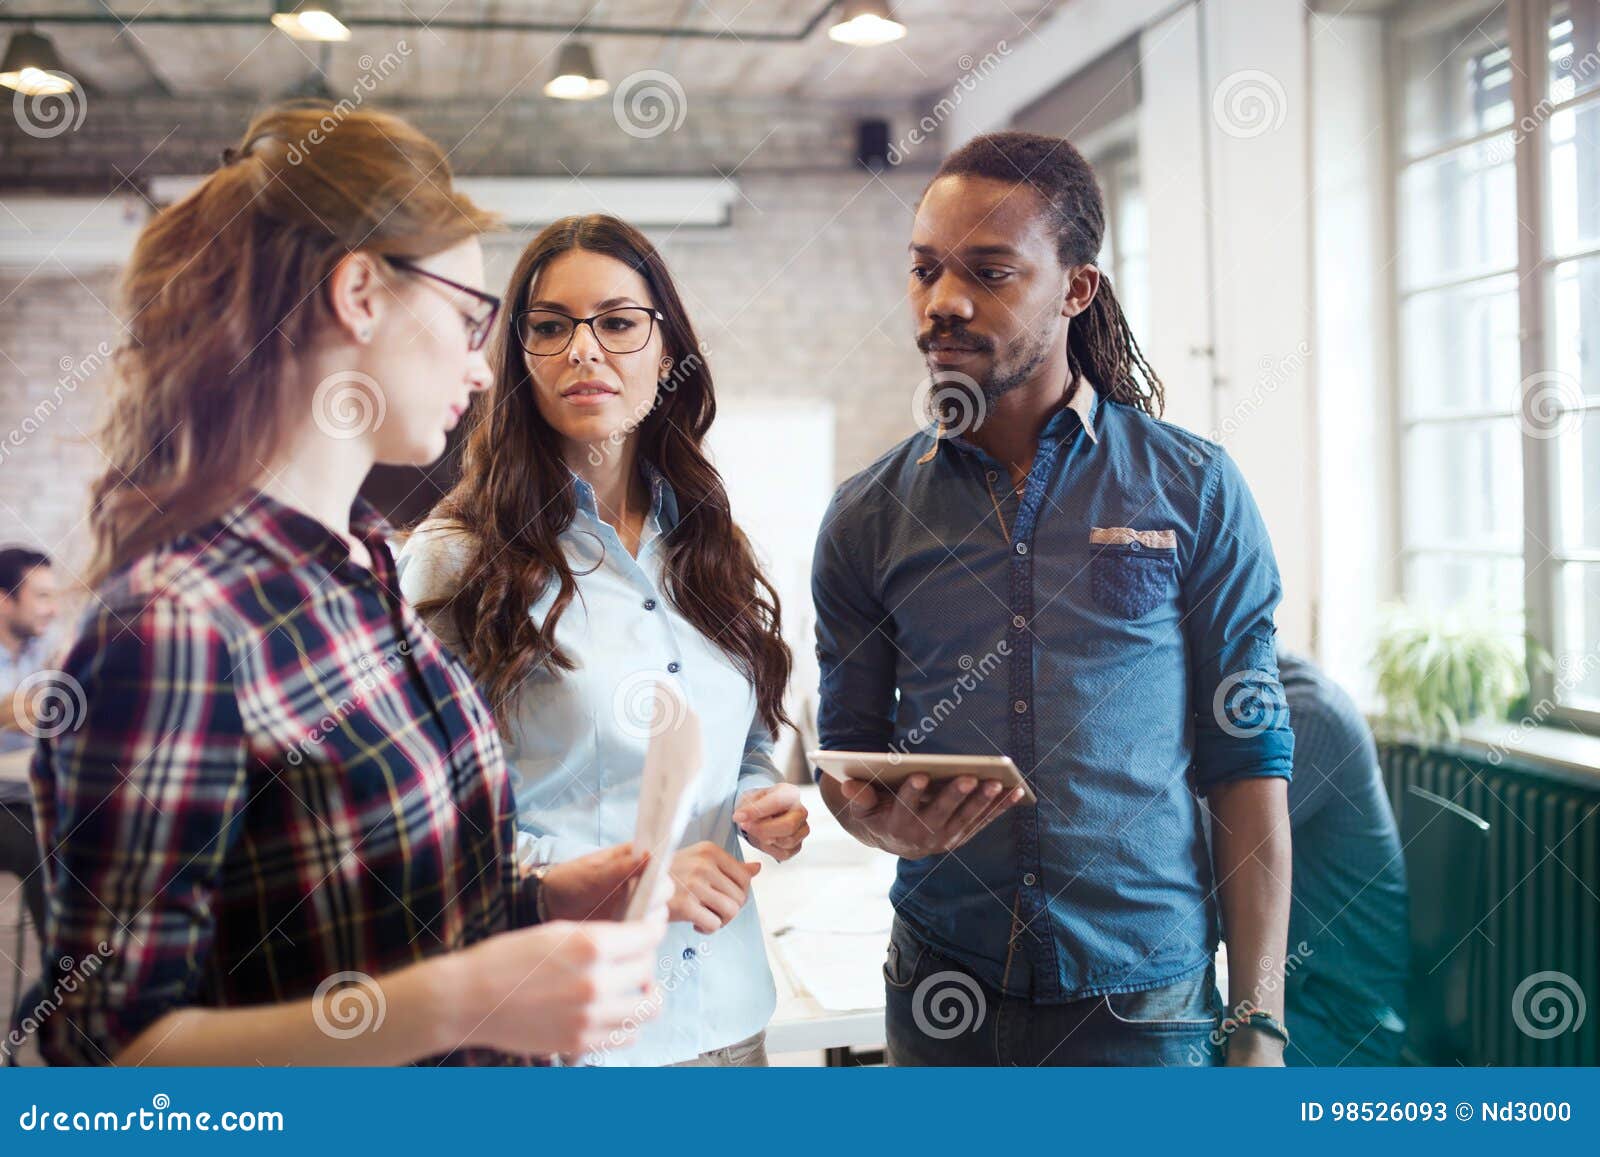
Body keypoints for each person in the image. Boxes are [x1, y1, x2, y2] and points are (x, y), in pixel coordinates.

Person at [24, 106, 667, 1067]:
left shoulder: (363, 571)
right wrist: (454, 1003)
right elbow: (105, 1052)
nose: (482, 370)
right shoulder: (177, 627)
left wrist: (531, 903)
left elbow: (356, 918)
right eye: (466, 318)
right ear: (361, 291)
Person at [811, 130, 1296, 1066]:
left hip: (1144, 1006)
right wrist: (871, 817)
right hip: (942, 992)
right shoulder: (865, 517)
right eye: (924, 271)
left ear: (1077, 288)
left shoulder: (1193, 488)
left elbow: (1249, 763)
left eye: (990, 273)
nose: (942, 302)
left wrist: (1258, 1021)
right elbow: (847, 758)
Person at [397, 213, 807, 1067]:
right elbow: (425, 817)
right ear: (519, 357)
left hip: (730, 1024)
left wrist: (760, 801)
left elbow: (748, 744)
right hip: (565, 1038)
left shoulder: (710, 543)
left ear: (667, 353)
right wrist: (630, 877)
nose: (585, 350)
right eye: (551, 327)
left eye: (618, 322)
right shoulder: (454, 558)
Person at [1277, 650, 1408, 1066]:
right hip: (1300, 997)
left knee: (1149, 1062)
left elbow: (1203, 865)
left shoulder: (1309, 716)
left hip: (1344, 1025)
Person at [0, 546, 58, 934]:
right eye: (41, 596)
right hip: (5, 806)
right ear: (5, 601)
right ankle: (67, 972)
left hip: (30, 790)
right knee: (48, 846)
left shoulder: (43, 648)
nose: (52, 608)